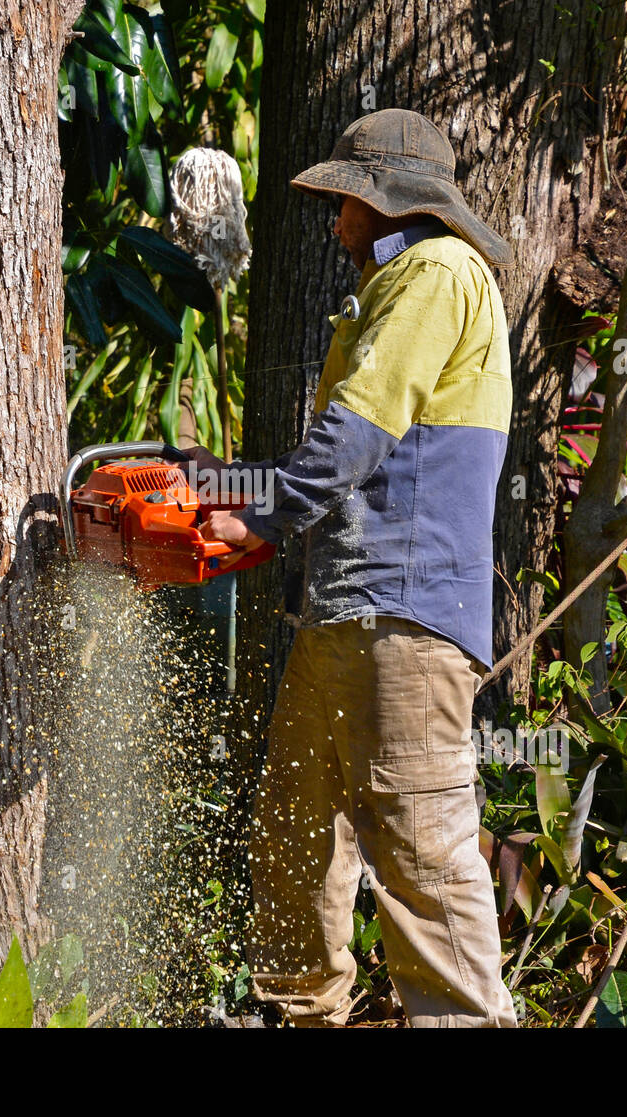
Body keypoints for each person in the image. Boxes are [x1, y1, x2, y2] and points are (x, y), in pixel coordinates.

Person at [187, 107, 517, 1027]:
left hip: (406, 621)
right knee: (296, 848)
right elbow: (339, 460)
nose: (336, 223)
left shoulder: (437, 271)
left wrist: (252, 514)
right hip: (342, 613)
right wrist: (242, 487)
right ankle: (300, 1015)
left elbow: (354, 439)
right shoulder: (395, 282)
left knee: (423, 862)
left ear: (391, 201)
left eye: (347, 202)